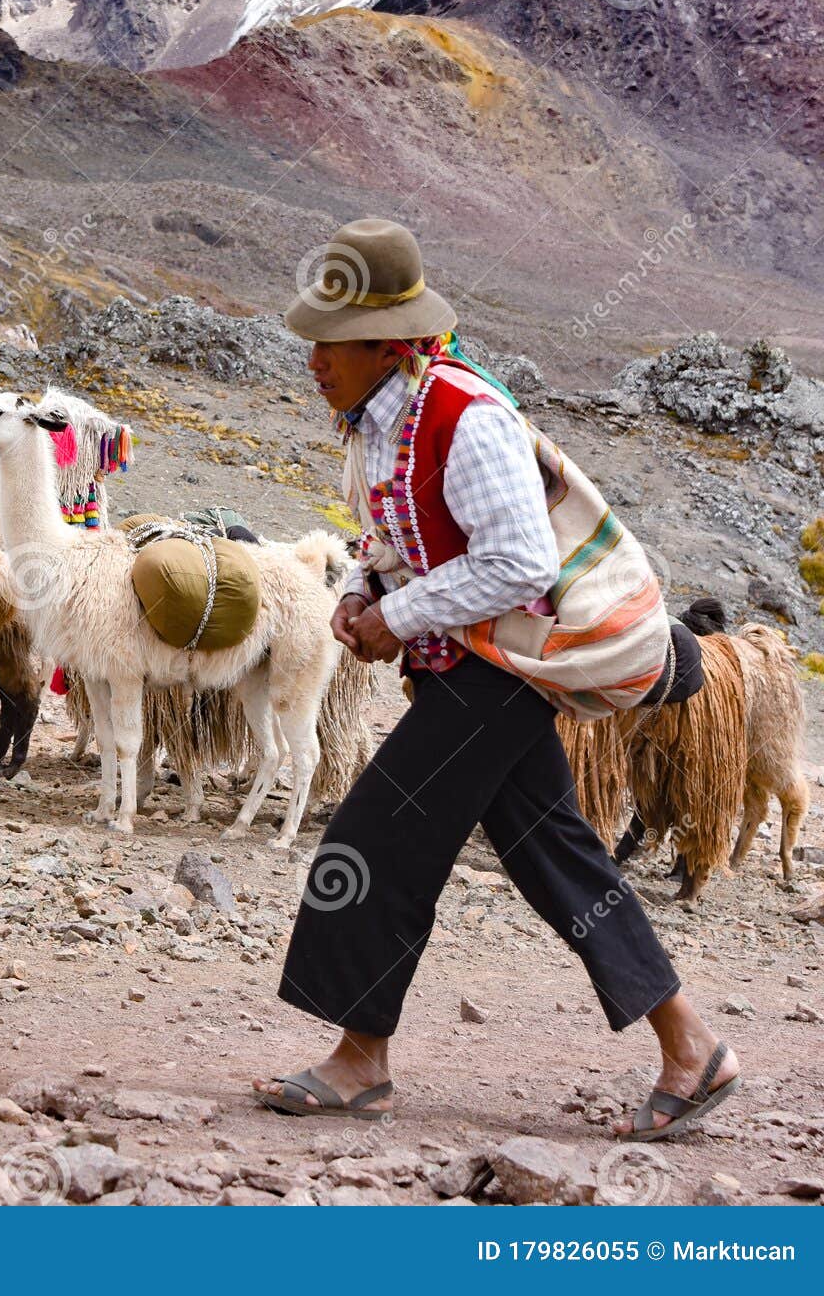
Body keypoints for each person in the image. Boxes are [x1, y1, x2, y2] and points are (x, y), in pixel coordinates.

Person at [252, 219, 740, 1140]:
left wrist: (394, 619)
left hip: (503, 671)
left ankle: (360, 1063)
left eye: (330, 342)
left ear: (384, 343)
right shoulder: (377, 425)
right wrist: (362, 594)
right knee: (553, 852)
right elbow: (393, 540)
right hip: (463, 668)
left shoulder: (465, 417)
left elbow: (518, 564)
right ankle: (692, 1048)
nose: (313, 358)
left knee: (375, 839)